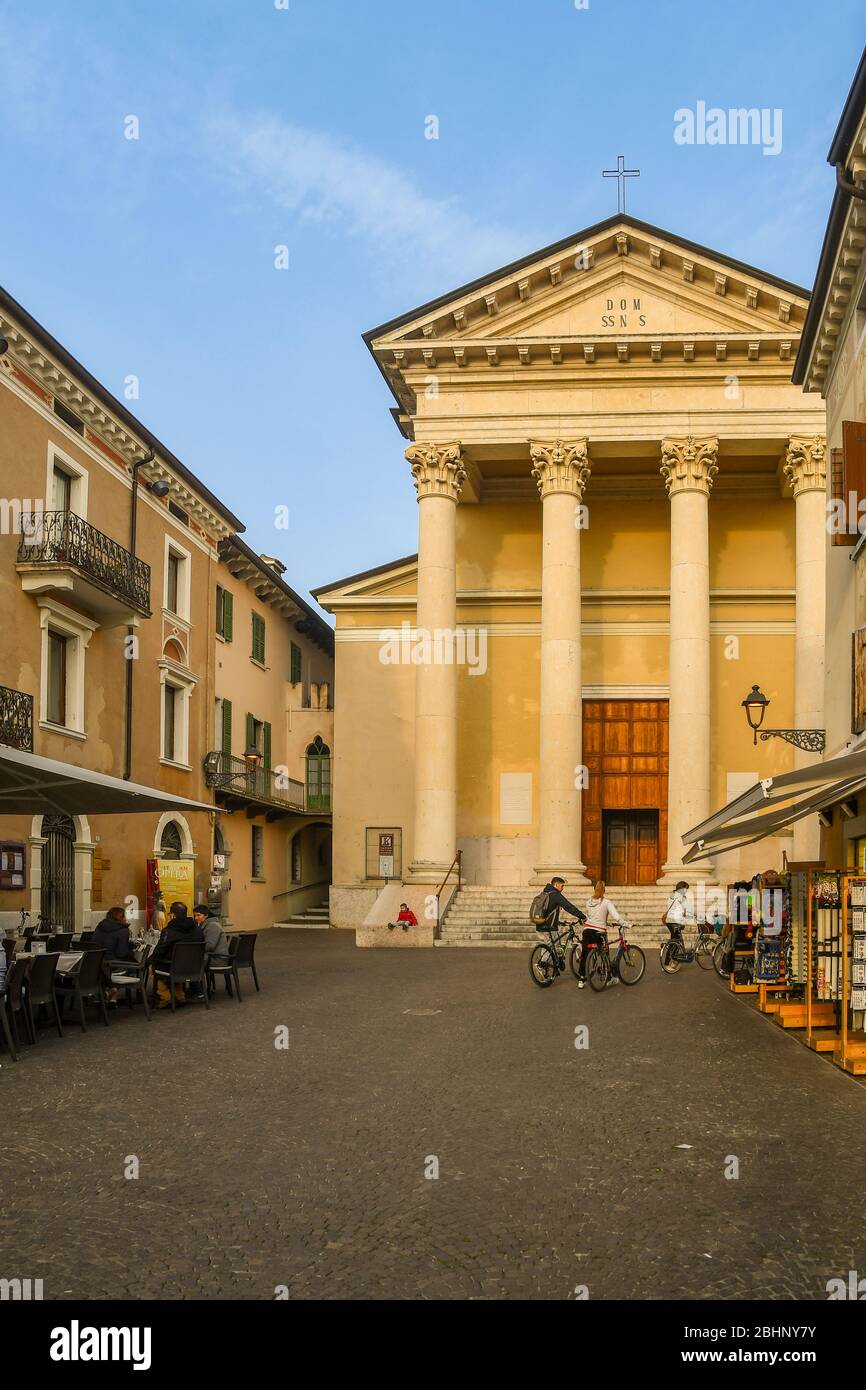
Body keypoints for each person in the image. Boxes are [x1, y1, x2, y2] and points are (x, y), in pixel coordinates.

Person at [151, 901, 204, 1008]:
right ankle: (180, 996)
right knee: (176, 963)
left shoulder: (169, 931)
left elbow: (159, 951)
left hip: (174, 968)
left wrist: (151, 959)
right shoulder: (197, 930)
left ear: (173, 915)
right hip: (195, 968)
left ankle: (165, 997)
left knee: (154, 965)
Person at [576, 880, 622, 988]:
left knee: (585, 954)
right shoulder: (606, 902)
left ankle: (581, 979)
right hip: (599, 932)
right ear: (604, 890)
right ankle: (609, 977)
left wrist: (605, 922)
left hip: (587, 930)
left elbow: (592, 917)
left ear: (594, 889)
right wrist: (626, 924)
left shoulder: (588, 902)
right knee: (605, 953)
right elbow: (616, 916)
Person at [663, 880, 693, 951]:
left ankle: (670, 956)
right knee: (676, 941)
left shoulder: (672, 896)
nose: (687, 891)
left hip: (669, 920)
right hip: (676, 921)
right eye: (686, 889)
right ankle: (672, 956)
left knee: (674, 940)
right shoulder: (682, 897)